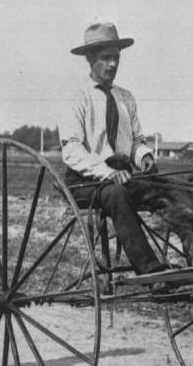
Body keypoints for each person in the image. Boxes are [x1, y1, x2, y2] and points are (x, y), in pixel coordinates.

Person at [60, 21, 174, 276]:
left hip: (124, 176)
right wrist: (106, 172)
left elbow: (136, 141)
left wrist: (143, 156)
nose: (113, 64)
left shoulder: (126, 98)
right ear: (90, 59)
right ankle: (150, 271)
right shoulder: (78, 98)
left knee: (172, 188)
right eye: (106, 58)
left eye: (116, 58)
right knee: (116, 195)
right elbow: (72, 150)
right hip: (86, 180)